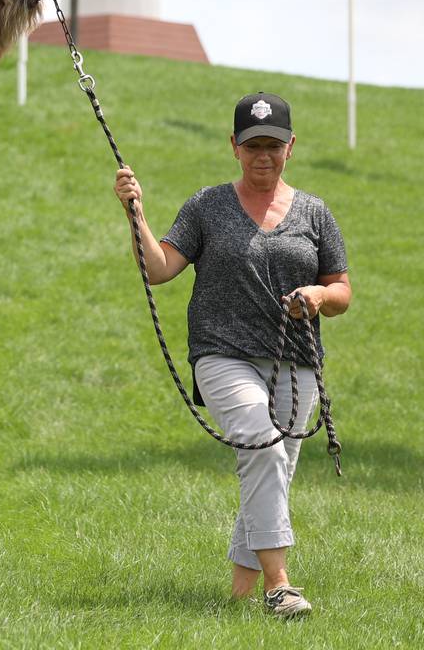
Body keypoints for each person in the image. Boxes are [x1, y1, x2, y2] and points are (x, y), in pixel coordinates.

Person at [112, 91, 351, 619]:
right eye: (251, 145)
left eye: (272, 144)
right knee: (262, 445)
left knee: (274, 467)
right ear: (234, 147)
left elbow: (342, 291)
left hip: (296, 361)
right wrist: (136, 212)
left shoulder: (315, 213)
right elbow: (159, 268)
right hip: (223, 355)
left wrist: (316, 296)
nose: (262, 155)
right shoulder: (206, 206)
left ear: (291, 146)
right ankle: (281, 587)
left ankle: (241, 597)